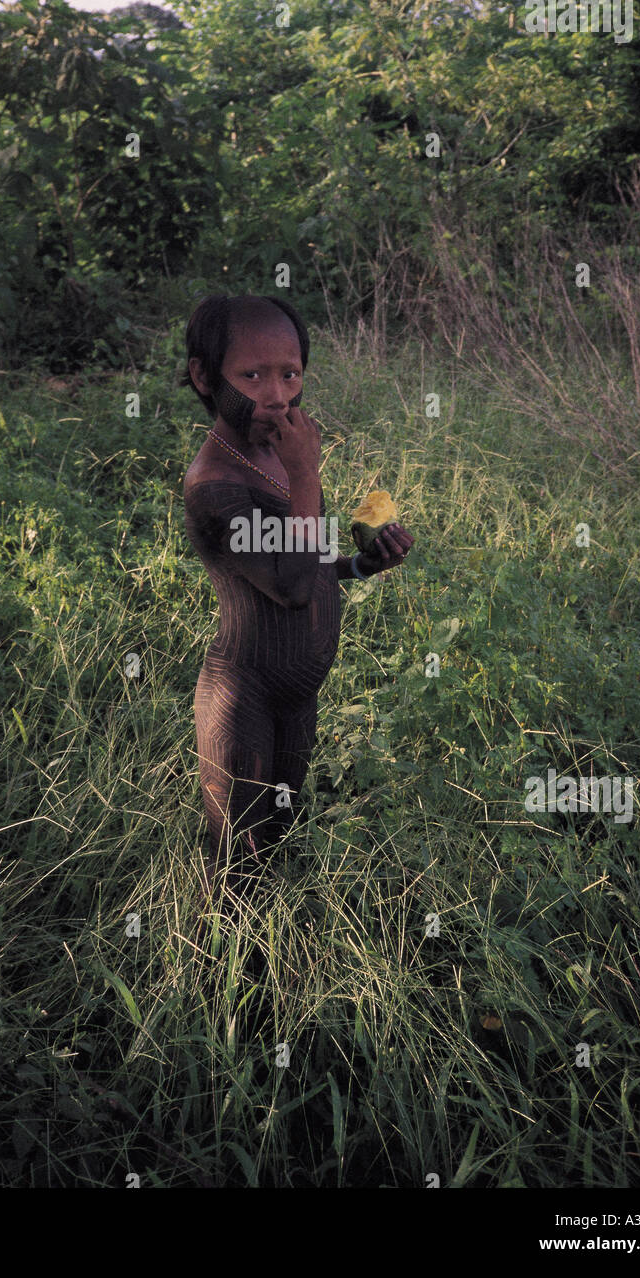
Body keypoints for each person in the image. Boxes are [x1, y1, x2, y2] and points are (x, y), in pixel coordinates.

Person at [181, 294, 414, 906]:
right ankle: (222, 984)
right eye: (251, 376)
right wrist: (307, 475)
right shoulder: (215, 485)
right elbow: (286, 586)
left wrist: (362, 562)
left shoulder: (270, 457)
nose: (277, 395)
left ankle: (273, 972)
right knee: (238, 859)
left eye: (290, 374)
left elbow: (303, 562)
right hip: (244, 695)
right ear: (205, 377)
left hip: (296, 693)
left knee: (279, 835)